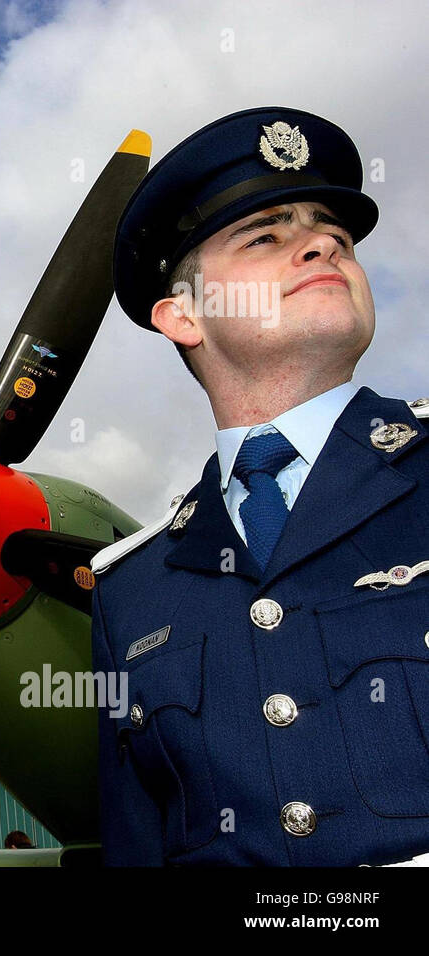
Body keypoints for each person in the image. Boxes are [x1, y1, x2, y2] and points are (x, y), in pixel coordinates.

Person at [91, 106, 429, 866]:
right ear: (183, 316)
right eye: (266, 236)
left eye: (336, 237)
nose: (323, 244)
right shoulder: (129, 591)